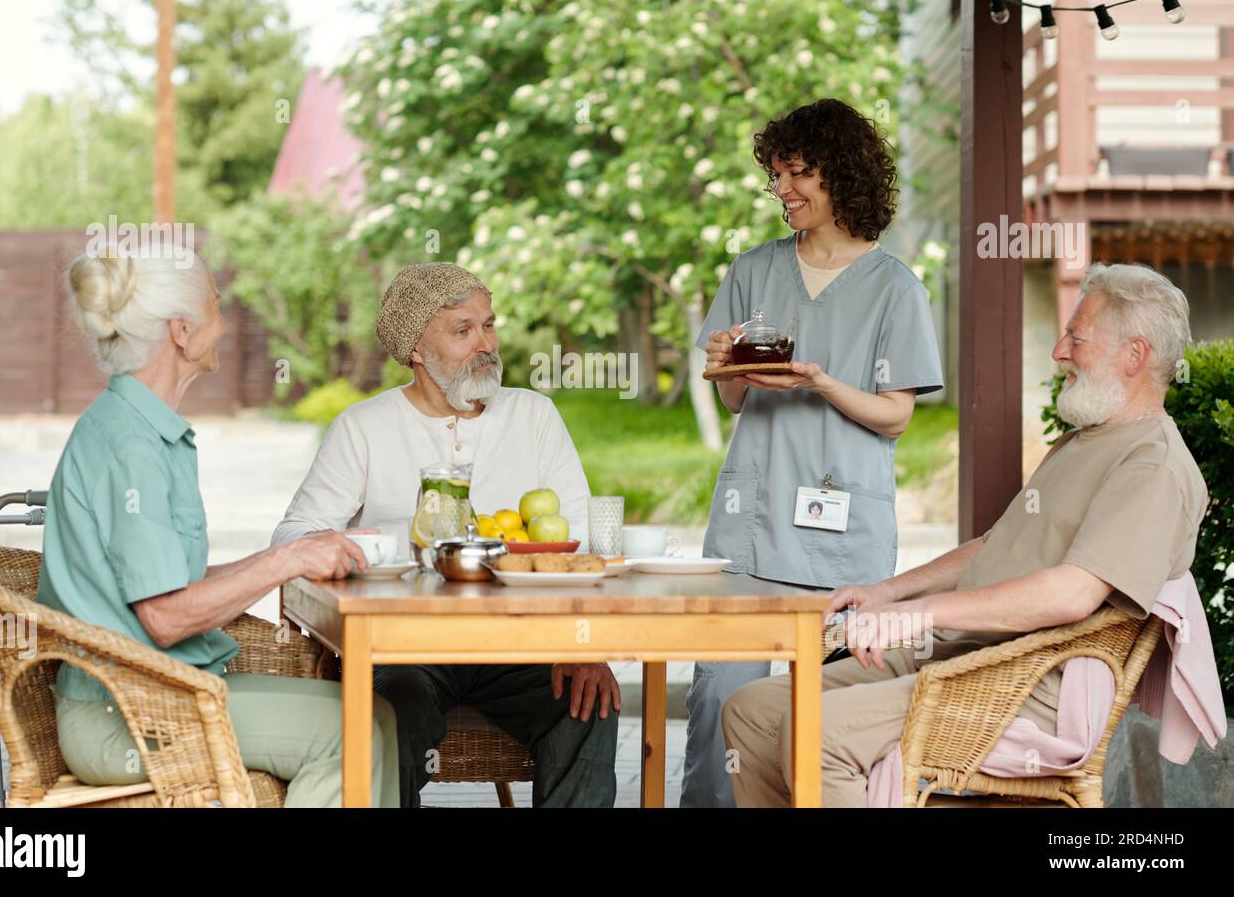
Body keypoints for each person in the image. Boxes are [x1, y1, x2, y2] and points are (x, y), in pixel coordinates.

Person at [722, 263, 1209, 806]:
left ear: (1134, 355)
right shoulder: (1086, 440)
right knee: (752, 711)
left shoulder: (1153, 466)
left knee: (820, 733)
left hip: (1018, 682)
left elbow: (1074, 593)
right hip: (959, 655)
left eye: (1076, 337)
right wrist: (888, 593)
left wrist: (917, 614)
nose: (1059, 351)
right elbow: (994, 543)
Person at [38, 248, 400, 808]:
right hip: (126, 717)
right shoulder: (130, 444)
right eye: (216, 304)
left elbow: (170, 586)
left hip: (159, 694)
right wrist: (286, 562)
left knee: (374, 711)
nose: (224, 321)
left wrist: (296, 552)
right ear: (182, 331)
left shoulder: (140, 430)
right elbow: (164, 616)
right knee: (348, 733)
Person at [273, 261, 619, 807]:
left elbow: (580, 543)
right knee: (394, 704)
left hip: (520, 644)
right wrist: (358, 546)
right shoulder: (364, 427)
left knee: (588, 700)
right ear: (416, 348)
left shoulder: (535, 416)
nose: (486, 343)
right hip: (407, 647)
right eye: (463, 330)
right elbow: (292, 536)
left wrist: (584, 644)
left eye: (489, 324)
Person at [682, 98, 944, 807]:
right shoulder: (753, 269)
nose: (783, 191)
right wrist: (726, 369)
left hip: (840, 549)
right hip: (749, 533)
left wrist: (821, 382)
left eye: (799, 173)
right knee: (716, 711)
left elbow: (894, 418)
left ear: (845, 176)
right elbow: (736, 400)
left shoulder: (895, 288)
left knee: (814, 723)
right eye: (775, 175)